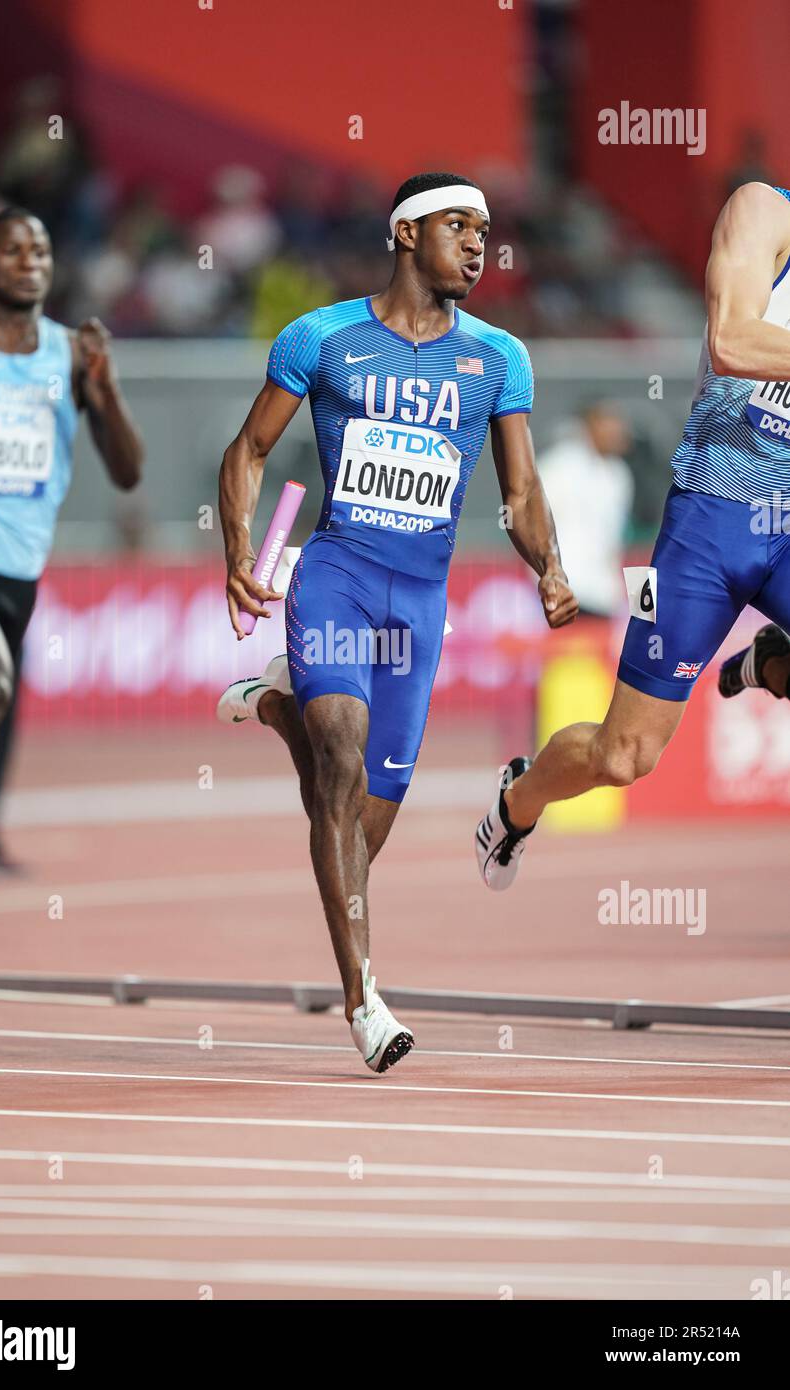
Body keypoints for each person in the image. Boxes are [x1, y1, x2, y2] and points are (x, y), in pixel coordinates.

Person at [217, 172, 577, 1072]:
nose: (478, 243)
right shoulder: (324, 338)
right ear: (407, 232)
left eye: (486, 230)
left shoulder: (499, 358)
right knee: (338, 772)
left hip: (419, 605)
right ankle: (364, 1003)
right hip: (336, 576)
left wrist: (551, 564)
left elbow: (521, 490)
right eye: (460, 225)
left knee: (356, 833)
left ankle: (275, 705)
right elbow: (250, 449)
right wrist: (235, 549)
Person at [474, 181, 790, 892]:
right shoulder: (765, 211)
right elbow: (733, 339)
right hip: (711, 523)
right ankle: (519, 800)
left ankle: (769, 663)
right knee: (625, 757)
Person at [0, 207, 144, 958]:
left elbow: (127, 472)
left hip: (19, 570)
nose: (30, 261)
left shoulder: (71, 356)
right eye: (11, 251)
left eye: (41, 249)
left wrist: (105, 389)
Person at [537, 401, 633, 619]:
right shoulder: (558, 466)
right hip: (568, 589)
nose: (617, 432)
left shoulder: (618, 474)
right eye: (609, 424)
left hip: (603, 592)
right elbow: (534, 523)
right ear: (590, 425)